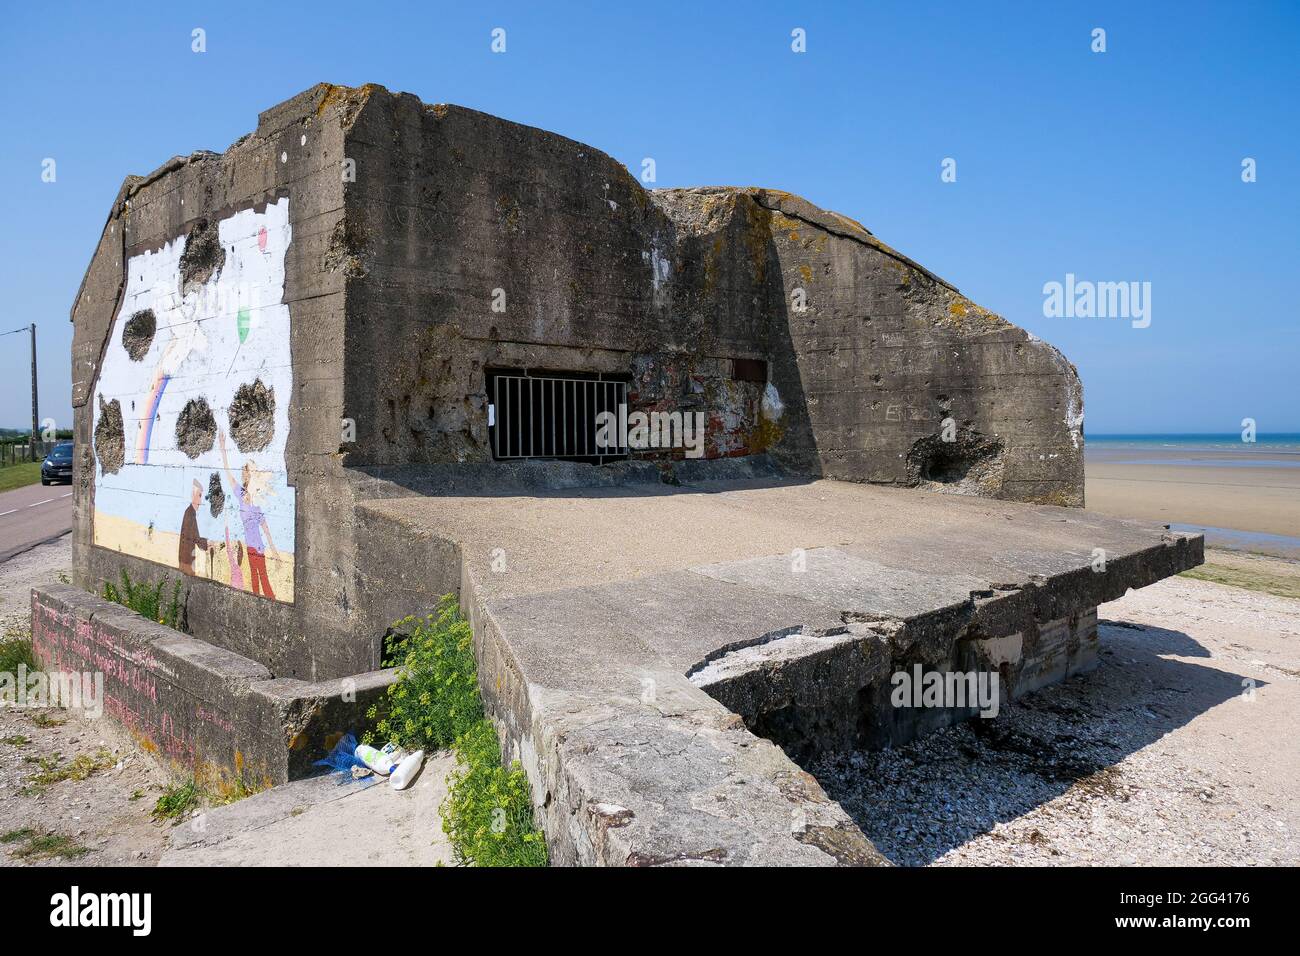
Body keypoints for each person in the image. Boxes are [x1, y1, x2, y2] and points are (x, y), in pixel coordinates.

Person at [218, 429, 281, 599]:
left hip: (258, 547)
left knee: (263, 579)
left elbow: (266, 529)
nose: (245, 474)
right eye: (245, 471)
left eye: (248, 472)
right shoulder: (240, 494)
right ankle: (258, 603)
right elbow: (228, 474)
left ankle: (270, 602)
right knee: (254, 578)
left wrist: (274, 552)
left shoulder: (256, 504)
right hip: (250, 546)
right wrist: (223, 450)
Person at [178, 479, 209, 576]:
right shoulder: (190, 513)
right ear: (192, 495)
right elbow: (194, 537)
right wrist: (207, 543)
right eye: (199, 495)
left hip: (187, 558)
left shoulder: (190, 512)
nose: (200, 501)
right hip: (187, 560)